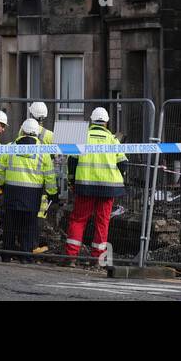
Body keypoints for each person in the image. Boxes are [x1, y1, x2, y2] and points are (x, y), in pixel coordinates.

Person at [64, 107, 127, 266]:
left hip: (85, 186)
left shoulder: (82, 137)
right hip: (107, 188)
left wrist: (72, 181)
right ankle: (98, 259)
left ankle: (71, 257)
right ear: (106, 122)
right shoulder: (113, 140)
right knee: (102, 222)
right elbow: (124, 164)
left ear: (91, 120)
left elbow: (72, 162)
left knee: (78, 220)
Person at [0, 118, 57, 263]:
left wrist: (2, 184)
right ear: (36, 133)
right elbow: (49, 175)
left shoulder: (10, 147)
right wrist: (52, 193)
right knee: (29, 226)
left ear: (22, 131)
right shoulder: (43, 152)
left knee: (10, 225)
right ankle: (25, 257)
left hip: (11, 191)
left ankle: (6, 255)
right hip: (32, 195)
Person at [27, 101, 57, 230]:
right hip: (43, 176)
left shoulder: (23, 130)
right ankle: (35, 236)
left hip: (26, 173)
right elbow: (55, 157)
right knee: (41, 207)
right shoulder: (50, 135)